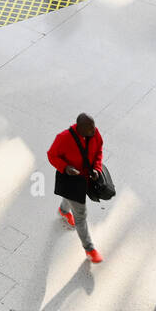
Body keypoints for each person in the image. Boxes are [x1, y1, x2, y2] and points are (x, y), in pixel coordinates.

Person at [46, 113, 105, 264]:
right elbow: (52, 155)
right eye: (90, 128)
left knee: (71, 199)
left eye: (94, 127)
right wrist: (65, 168)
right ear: (80, 128)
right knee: (80, 216)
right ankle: (90, 249)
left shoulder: (94, 133)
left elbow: (99, 151)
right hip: (72, 181)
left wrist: (97, 169)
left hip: (88, 178)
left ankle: (63, 211)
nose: (94, 130)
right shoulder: (63, 138)